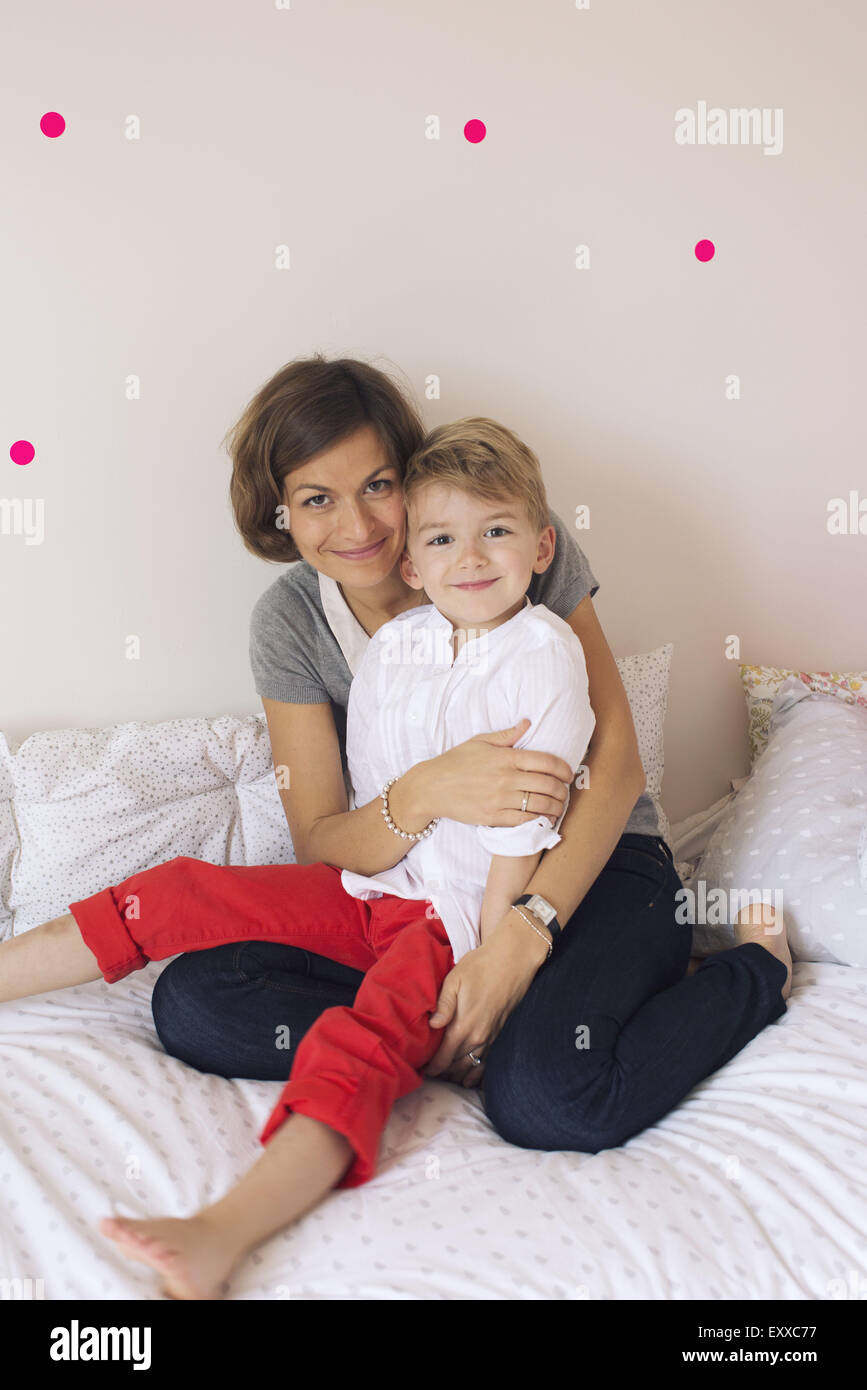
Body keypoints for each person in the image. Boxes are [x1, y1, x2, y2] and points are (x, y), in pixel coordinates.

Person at [0, 357, 792, 1299]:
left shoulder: (502, 540)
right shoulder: (295, 621)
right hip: (408, 888)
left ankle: (746, 973)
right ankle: (453, 1034)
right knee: (197, 1003)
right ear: (280, 514)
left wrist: (511, 947)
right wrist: (426, 793)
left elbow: (612, 774)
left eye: (378, 484)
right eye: (316, 498)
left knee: (550, 1098)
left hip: (586, 863)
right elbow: (323, 840)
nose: (361, 525)